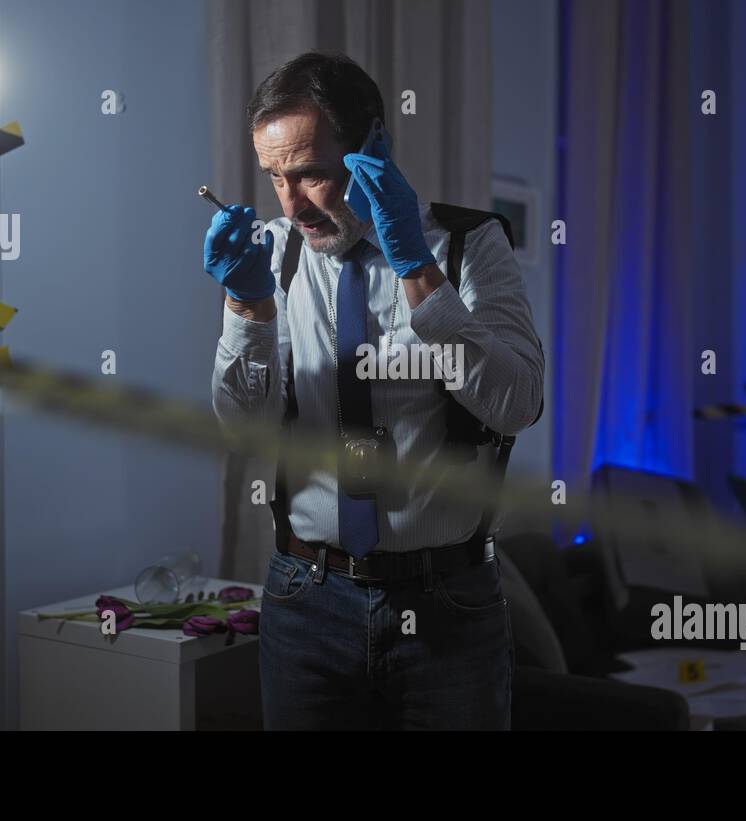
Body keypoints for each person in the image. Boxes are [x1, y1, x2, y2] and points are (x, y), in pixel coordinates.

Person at [205, 51, 543, 729]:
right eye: (275, 178)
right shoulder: (272, 254)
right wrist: (249, 309)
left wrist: (415, 264)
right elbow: (247, 431)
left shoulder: (469, 247)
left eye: (311, 175)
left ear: (373, 148)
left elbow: (517, 402)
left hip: (449, 602)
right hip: (306, 598)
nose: (292, 203)